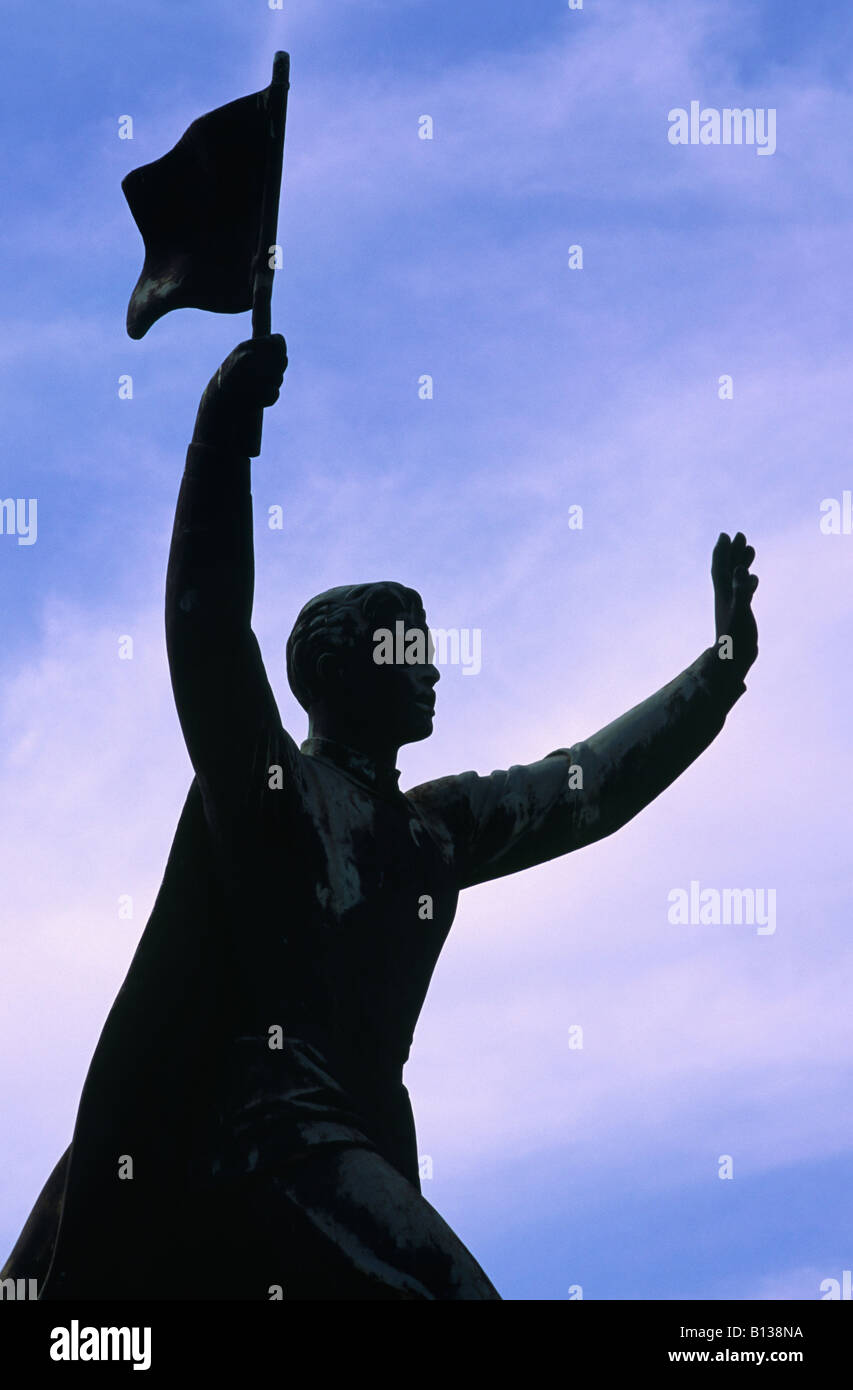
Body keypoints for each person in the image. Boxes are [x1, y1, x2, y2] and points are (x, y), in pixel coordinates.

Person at [3, 334, 758, 1300]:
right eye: (406, 647)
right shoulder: (272, 789)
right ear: (334, 671)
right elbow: (206, 634)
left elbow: (589, 787)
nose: (431, 667)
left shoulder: (439, 827)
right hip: (271, 1137)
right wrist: (220, 443)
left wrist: (718, 673)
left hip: (358, 1141)